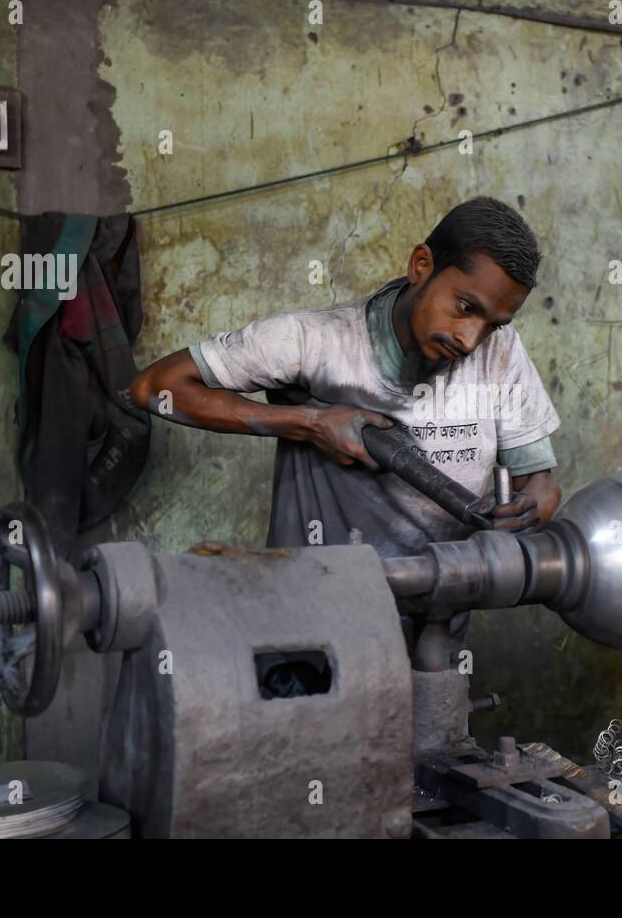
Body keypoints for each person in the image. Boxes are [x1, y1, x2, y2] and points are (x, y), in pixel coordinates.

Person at [129, 195, 562, 660]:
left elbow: (539, 485)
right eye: (464, 307)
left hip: (436, 633)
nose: (470, 338)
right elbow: (156, 386)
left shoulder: (500, 354)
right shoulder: (316, 341)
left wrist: (523, 512)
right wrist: (310, 422)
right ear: (421, 265)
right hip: (314, 628)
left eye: (492, 325)